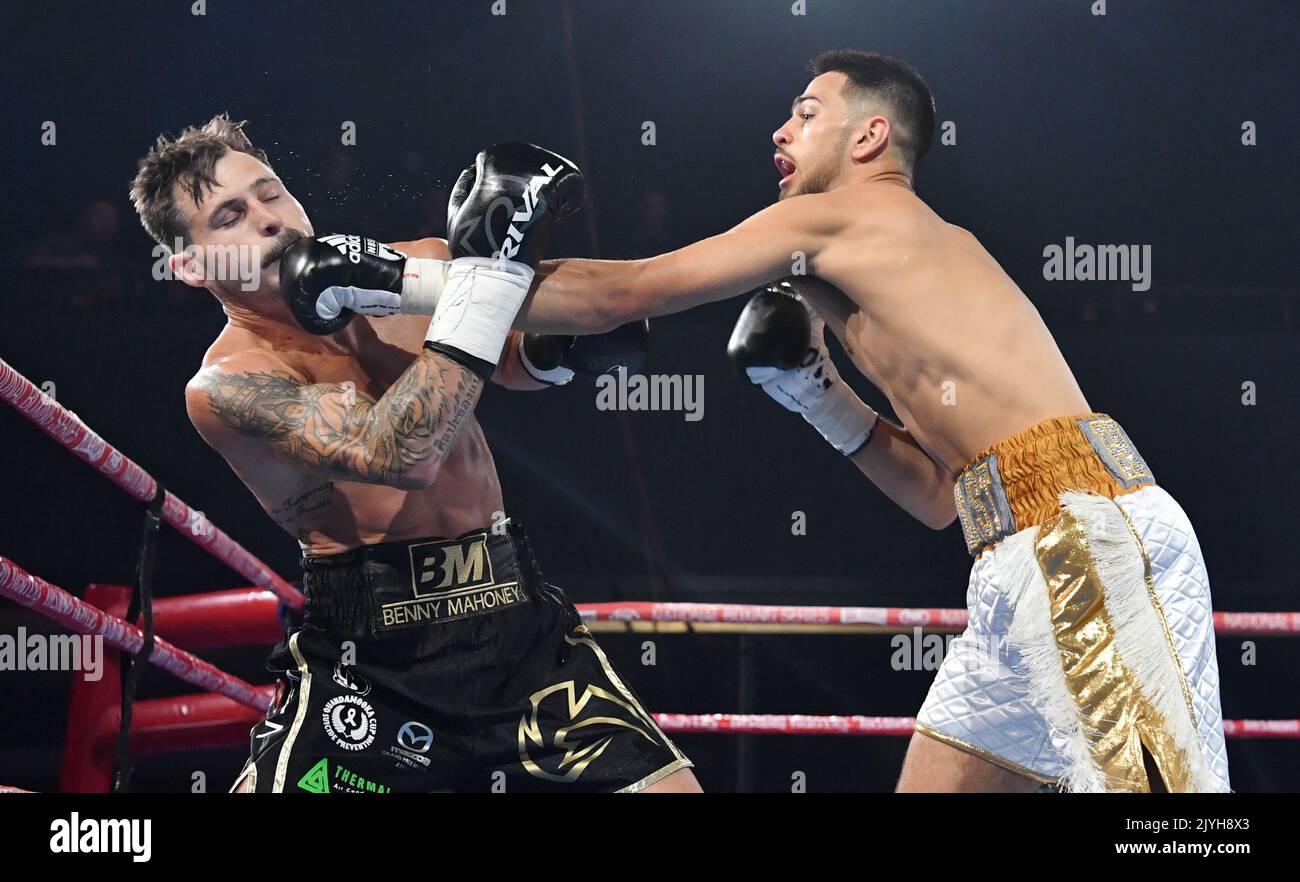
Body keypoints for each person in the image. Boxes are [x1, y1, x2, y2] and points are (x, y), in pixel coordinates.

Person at [502, 50, 1229, 793]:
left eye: (807, 114)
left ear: (870, 137)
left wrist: (433, 281)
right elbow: (939, 499)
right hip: (1016, 559)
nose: (780, 133)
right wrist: (821, 393)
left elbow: (625, 293)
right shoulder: (909, 254)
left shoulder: (839, 216)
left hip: (1085, 537)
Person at [129, 115, 697, 793]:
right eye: (230, 215)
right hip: (372, 660)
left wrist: (564, 343)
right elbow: (400, 452)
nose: (269, 219)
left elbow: (524, 353)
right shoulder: (227, 385)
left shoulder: (410, 265)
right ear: (191, 264)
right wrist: (484, 277)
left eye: (271, 192)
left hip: (518, 626)